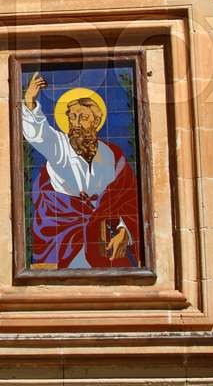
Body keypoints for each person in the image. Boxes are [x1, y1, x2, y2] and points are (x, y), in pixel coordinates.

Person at [21, 70, 140, 270]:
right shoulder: (60, 147)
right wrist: (30, 102)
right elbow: (39, 135)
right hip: (66, 235)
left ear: (96, 120)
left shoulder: (112, 156)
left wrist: (124, 231)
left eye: (83, 117)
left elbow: (126, 201)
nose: (76, 123)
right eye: (72, 117)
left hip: (106, 239)